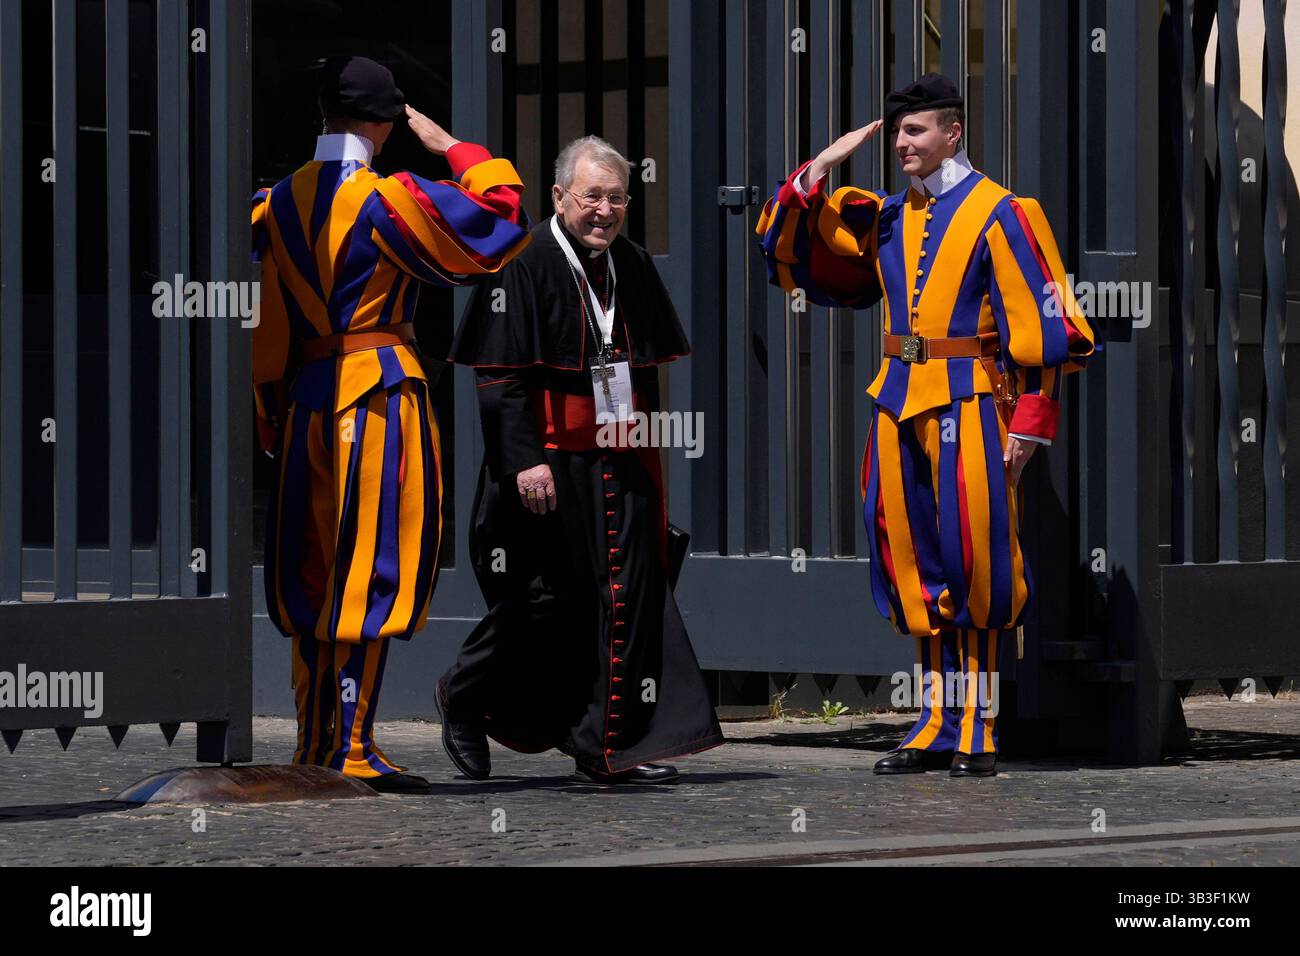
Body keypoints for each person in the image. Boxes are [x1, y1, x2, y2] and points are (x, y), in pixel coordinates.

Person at [756, 73, 1096, 777]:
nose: (902, 143)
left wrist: (1030, 421)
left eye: (917, 131)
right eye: (899, 132)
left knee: (976, 559)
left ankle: (978, 724)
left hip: (973, 401)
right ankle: (936, 722)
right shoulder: (884, 215)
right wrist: (819, 168)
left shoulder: (1005, 211)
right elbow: (788, 247)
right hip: (897, 400)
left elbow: (1041, 322)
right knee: (913, 561)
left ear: (953, 132)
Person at [251, 55, 531, 793]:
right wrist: (456, 151)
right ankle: (351, 746)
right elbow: (501, 224)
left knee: (316, 575)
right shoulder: (388, 200)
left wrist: (269, 411)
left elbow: (266, 330)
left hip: (308, 400)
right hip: (375, 399)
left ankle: (319, 740)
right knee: (369, 573)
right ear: (383, 124)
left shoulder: (273, 204)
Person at [435, 135, 724, 784]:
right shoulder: (522, 262)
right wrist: (524, 462)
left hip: (618, 460)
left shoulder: (633, 265)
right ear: (560, 196)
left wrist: (650, 459)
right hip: (548, 464)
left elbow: (644, 373)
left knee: (620, 601)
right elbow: (498, 376)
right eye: (592, 195)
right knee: (543, 601)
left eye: (617, 198)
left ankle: (607, 746)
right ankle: (464, 692)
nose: (605, 210)